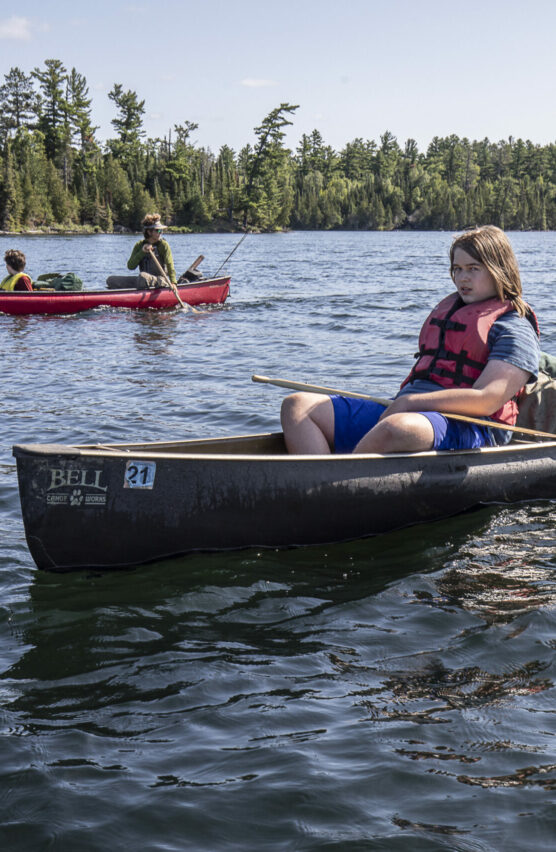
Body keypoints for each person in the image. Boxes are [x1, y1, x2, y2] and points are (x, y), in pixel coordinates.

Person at [281, 225, 541, 455]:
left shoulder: (514, 329)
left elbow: (487, 399)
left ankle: (335, 486)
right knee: (298, 407)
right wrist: (406, 403)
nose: (463, 278)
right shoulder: (452, 310)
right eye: (457, 269)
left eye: (474, 269)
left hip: (472, 426)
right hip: (409, 413)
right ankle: (319, 482)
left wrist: (410, 402)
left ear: (499, 270)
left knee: (397, 427)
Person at [106, 214, 177, 290]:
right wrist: (142, 252)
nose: (161, 233)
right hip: (142, 280)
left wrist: (173, 282)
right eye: (158, 230)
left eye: (161, 230)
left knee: (143, 277)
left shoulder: (163, 245)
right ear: (149, 232)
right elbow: (130, 266)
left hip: (160, 280)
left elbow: (170, 264)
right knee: (111, 280)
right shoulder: (139, 245)